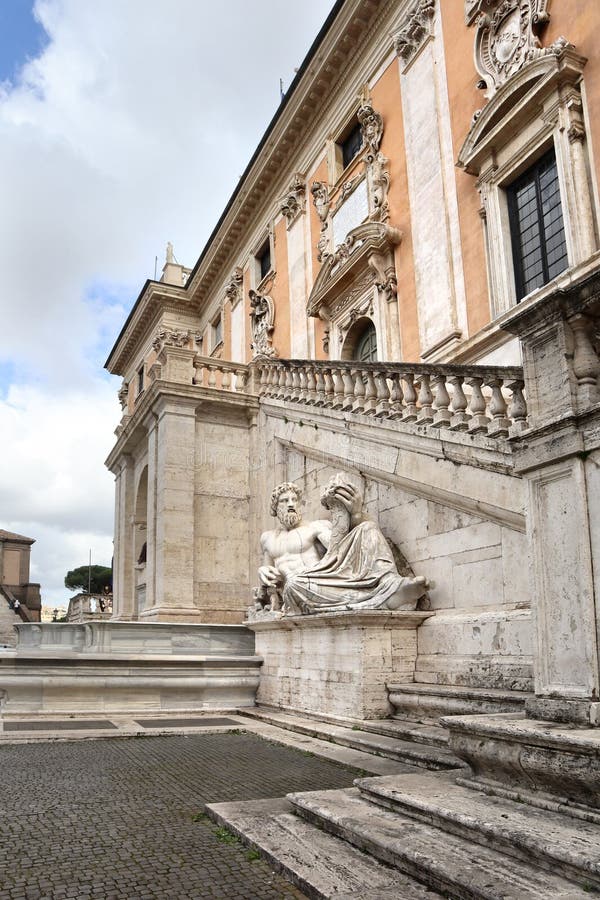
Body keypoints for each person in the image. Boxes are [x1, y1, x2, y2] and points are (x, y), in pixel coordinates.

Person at [257, 474, 428, 615]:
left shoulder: (315, 527)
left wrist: (356, 514)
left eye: (294, 500)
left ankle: (390, 585)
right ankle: (385, 599)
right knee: (294, 583)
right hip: (295, 589)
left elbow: (341, 549)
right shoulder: (268, 538)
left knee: (367, 527)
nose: (291, 504)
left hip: (320, 580)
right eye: (284, 501)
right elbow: (267, 577)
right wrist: (263, 572)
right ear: (275, 507)